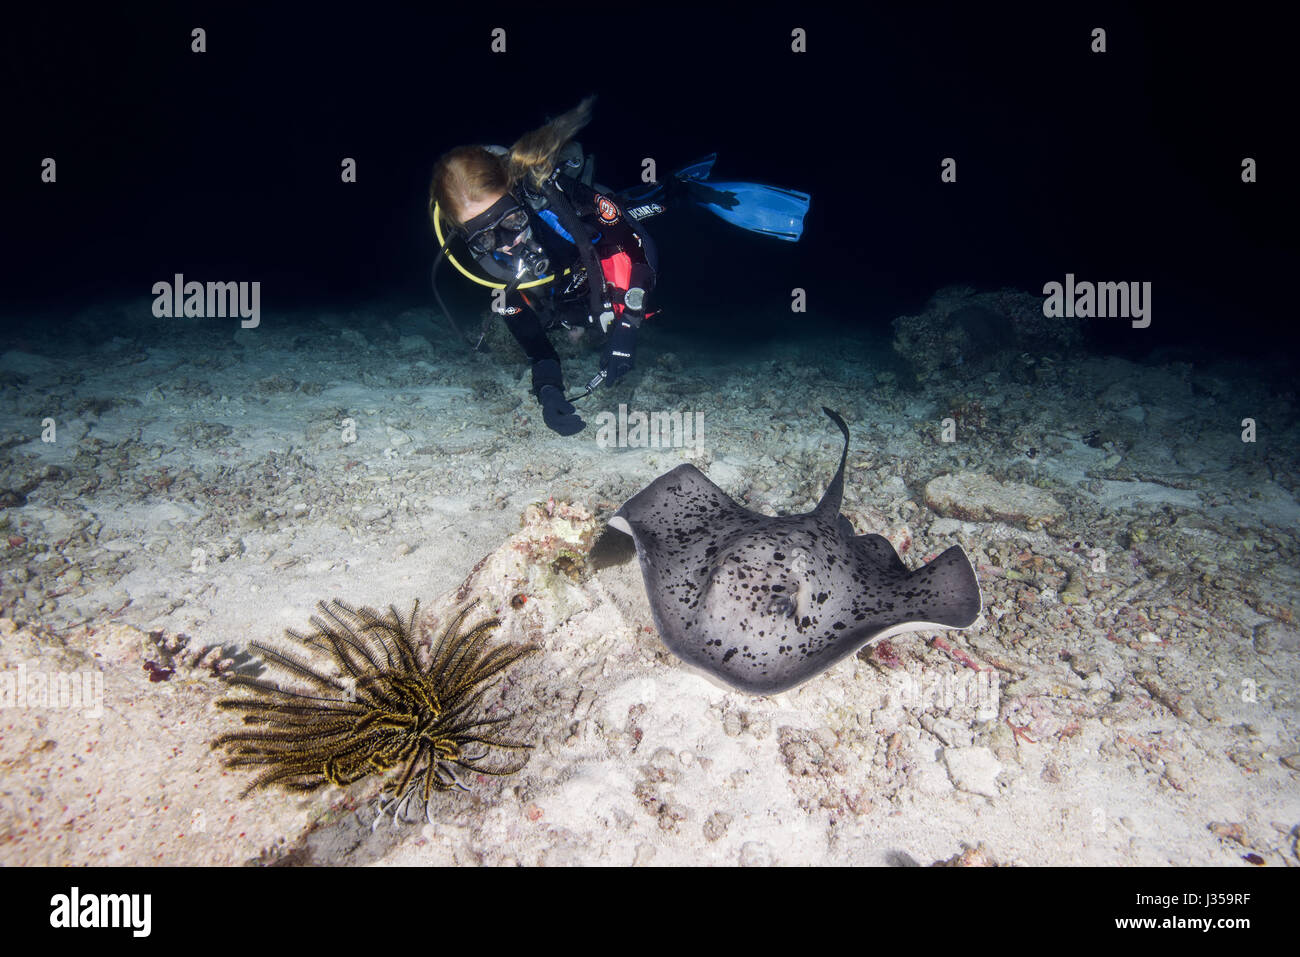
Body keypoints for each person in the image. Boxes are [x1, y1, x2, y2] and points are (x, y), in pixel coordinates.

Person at [429, 97, 656, 436]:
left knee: (641, 208)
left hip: (601, 236)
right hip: (568, 293)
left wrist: (628, 327)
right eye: (485, 239)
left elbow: (640, 249)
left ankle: (678, 189)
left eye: (512, 220)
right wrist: (548, 391)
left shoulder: (555, 196)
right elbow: (535, 346)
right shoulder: (486, 268)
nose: (508, 243)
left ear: (518, 197)